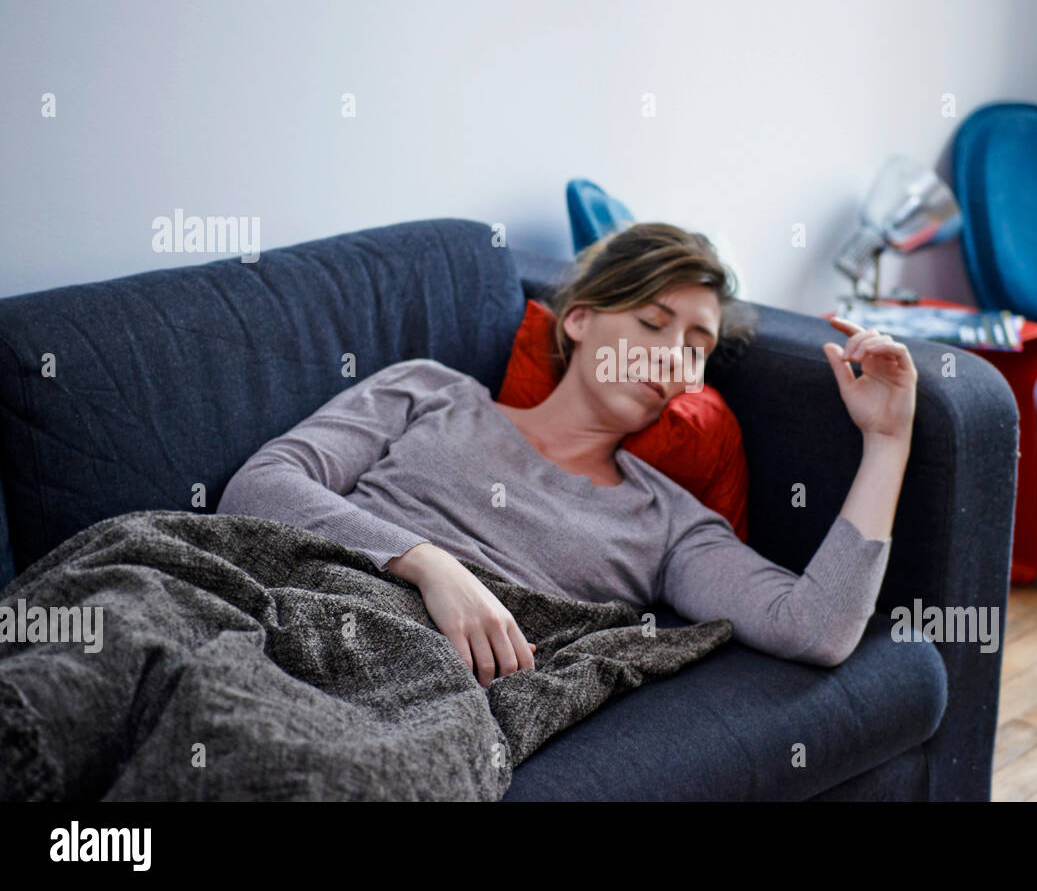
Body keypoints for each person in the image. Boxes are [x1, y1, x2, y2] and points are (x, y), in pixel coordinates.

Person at [216, 223, 916, 689]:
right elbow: (259, 488)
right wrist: (424, 561)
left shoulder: (667, 521)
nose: (671, 352)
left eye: (695, 346)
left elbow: (814, 627)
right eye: (651, 320)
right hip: (275, 601)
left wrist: (887, 440)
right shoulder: (428, 390)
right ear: (578, 318)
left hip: (405, 681)